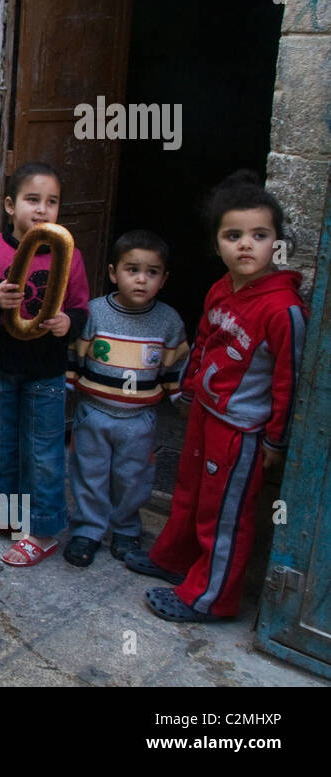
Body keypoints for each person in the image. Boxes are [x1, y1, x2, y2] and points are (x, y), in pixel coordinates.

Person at [125, 172, 307, 621]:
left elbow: (289, 381)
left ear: (277, 244)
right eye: (233, 235)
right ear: (218, 243)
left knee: (224, 513)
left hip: (240, 431)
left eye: (259, 235)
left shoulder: (284, 310)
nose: (246, 245)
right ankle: (174, 559)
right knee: (190, 493)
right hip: (205, 416)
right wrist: (189, 390)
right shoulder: (221, 290)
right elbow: (204, 341)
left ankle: (209, 598)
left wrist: (275, 442)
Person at [0, 162, 90, 566]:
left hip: (46, 373)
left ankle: (44, 530)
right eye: (33, 200)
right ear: (10, 205)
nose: (42, 210)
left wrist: (68, 323)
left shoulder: (70, 255)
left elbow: (81, 310)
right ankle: (2, 514)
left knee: (43, 452)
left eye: (52, 202)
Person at [63, 230, 188, 567]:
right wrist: (66, 388)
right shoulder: (94, 313)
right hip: (93, 414)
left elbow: (174, 367)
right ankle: (87, 529)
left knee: (133, 478)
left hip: (140, 420)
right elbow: (75, 356)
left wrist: (181, 400)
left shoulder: (169, 321)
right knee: (88, 473)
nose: (141, 280)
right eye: (132, 270)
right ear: (113, 273)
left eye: (152, 272)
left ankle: (125, 528)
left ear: (164, 279)